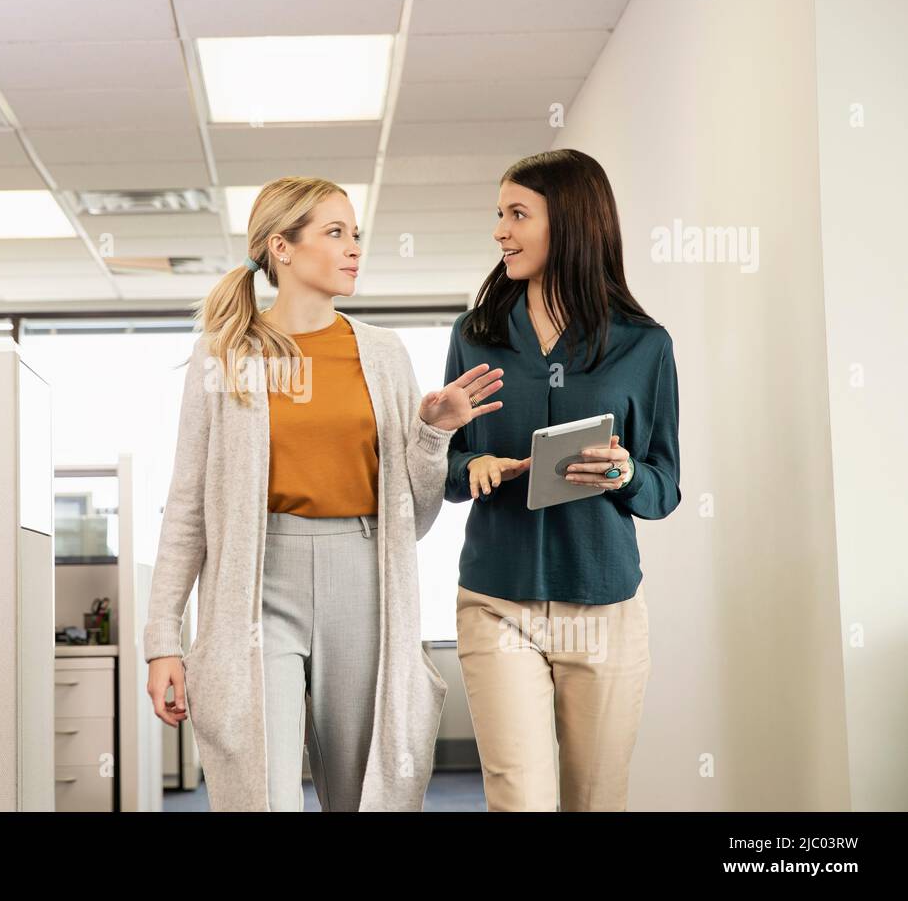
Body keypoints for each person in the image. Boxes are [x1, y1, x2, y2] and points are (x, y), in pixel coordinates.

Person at [143, 176, 505, 811]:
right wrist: (162, 642)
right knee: (262, 793)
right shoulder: (224, 354)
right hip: (255, 587)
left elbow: (413, 519)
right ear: (281, 247)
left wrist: (433, 433)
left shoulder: (384, 355)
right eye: (335, 233)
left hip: (362, 577)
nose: (354, 248)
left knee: (362, 792)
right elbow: (187, 509)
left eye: (355, 234)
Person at [446, 148, 681, 811]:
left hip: (605, 606)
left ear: (571, 224)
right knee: (520, 799)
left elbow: (665, 485)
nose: (500, 231)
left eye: (517, 214)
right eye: (499, 214)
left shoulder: (645, 345)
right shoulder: (476, 335)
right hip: (497, 603)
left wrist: (629, 473)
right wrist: (470, 465)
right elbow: (446, 466)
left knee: (595, 799)